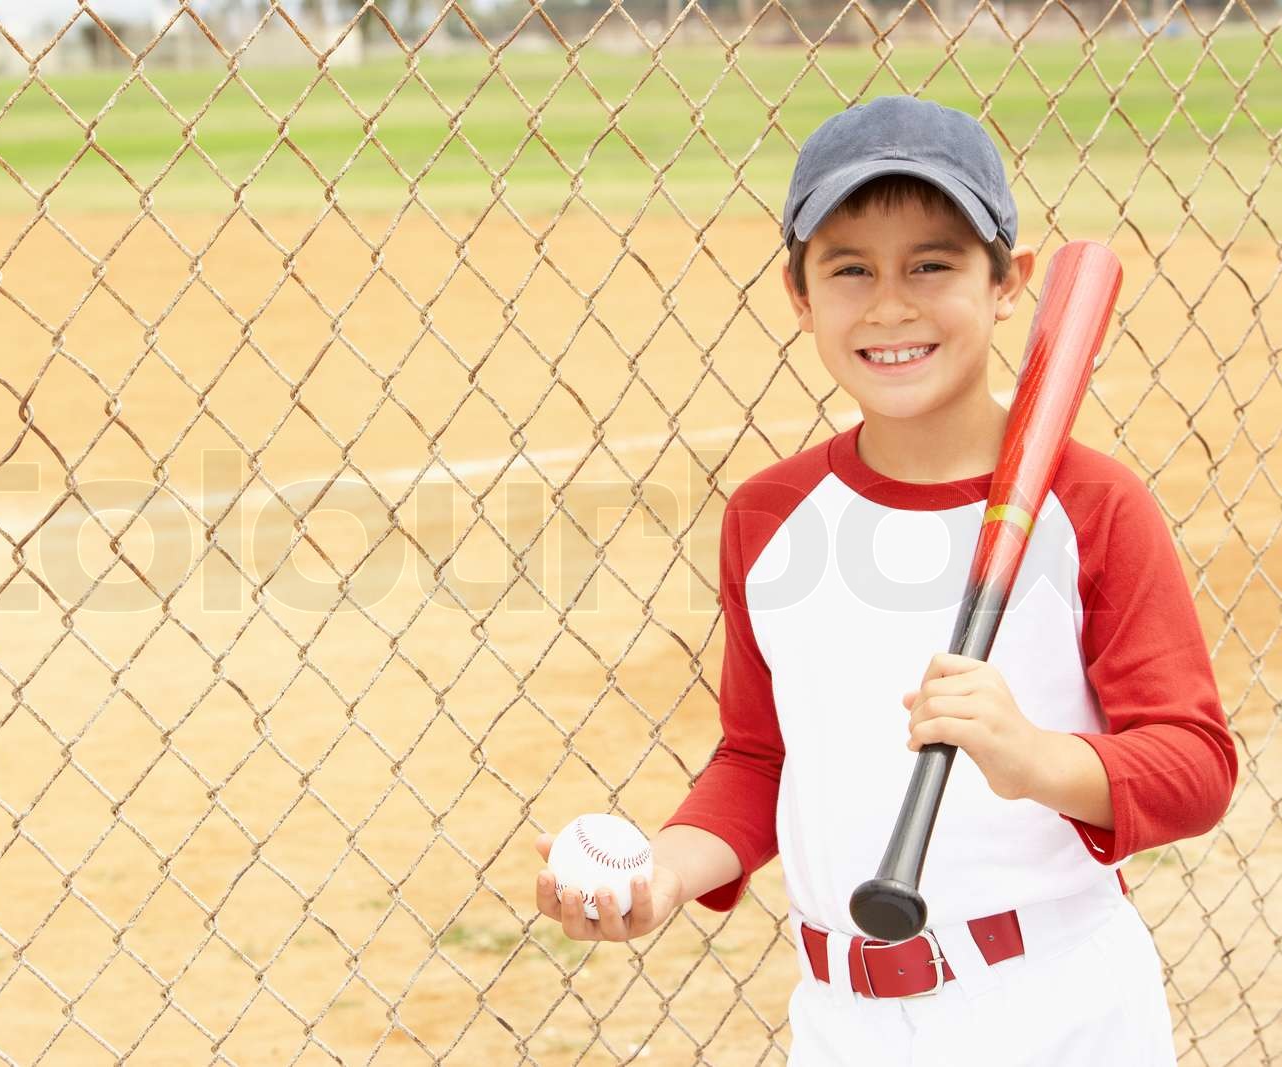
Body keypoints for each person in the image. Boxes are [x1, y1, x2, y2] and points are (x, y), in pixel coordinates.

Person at [530, 95, 1237, 1065]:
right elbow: (758, 756)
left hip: (1058, 1008)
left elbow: (1195, 765)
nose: (891, 303)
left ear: (1007, 282)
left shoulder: (1094, 503)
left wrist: (1035, 757)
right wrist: (665, 872)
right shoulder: (770, 514)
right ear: (799, 295)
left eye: (933, 264)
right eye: (849, 268)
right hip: (843, 1021)